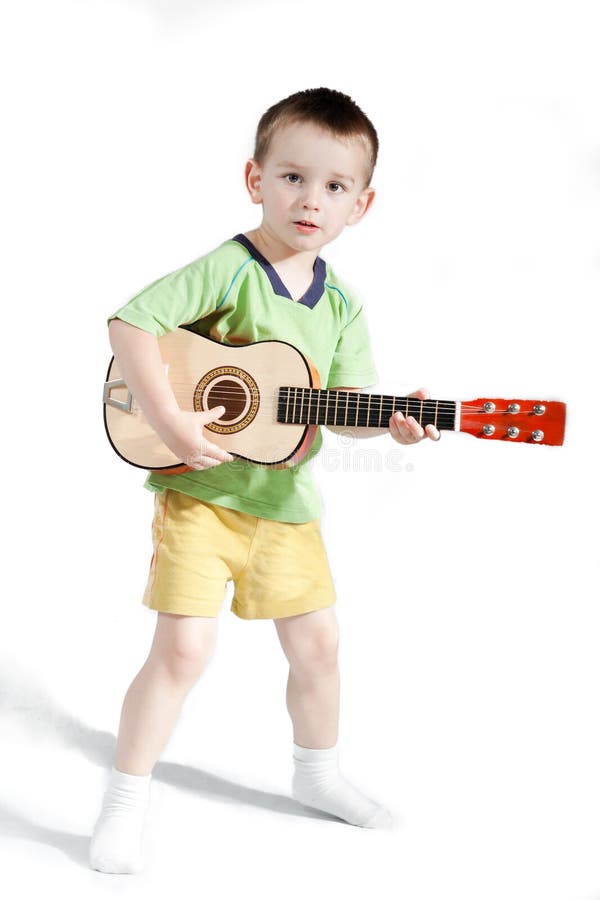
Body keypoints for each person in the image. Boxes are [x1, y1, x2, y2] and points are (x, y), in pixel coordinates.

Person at [90, 86, 440, 875]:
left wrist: (390, 420)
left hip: (286, 507)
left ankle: (317, 774)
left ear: (361, 205)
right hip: (200, 499)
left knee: (320, 645)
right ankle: (125, 796)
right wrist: (173, 423)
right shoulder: (229, 269)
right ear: (255, 179)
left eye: (335, 186)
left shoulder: (341, 305)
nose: (311, 199)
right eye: (292, 177)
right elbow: (130, 325)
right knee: (183, 651)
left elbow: (341, 407)